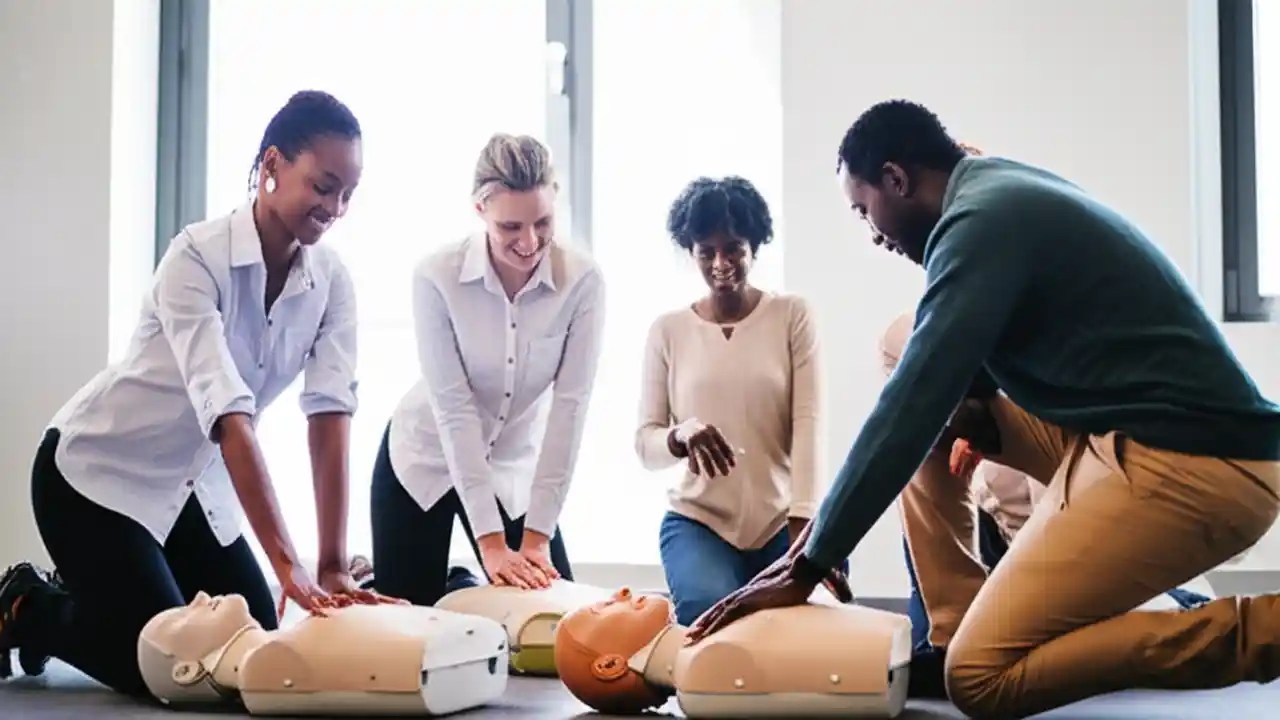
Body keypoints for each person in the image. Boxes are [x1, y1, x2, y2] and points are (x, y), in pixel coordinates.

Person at [686, 99, 1280, 718]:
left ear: (897, 178)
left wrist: (810, 561)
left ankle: (1259, 632)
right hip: (1114, 432)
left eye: (865, 209)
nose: (873, 233)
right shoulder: (990, 189)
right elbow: (936, 366)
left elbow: (910, 404)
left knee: (981, 678)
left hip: (1199, 468)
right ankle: (953, 630)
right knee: (912, 372)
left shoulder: (982, 221)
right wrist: (968, 405)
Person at [0, 90, 390, 697]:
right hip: (98, 479)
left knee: (253, 655)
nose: (334, 206)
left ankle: (97, 603)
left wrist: (331, 563)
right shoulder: (197, 257)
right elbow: (228, 414)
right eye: (322, 185)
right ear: (271, 166)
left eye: (347, 193)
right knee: (171, 671)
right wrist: (286, 565)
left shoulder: (331, 283)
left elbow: (330, 412)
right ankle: (30, 607)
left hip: (195, 492)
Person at [370, 133, 605, 607]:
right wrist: (491, 546)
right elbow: (453, 410)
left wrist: (537, 537)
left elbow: (569, 410)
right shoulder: (436, 276)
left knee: (554, 619)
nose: (530, 242)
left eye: (543, 222)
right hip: (425, 459)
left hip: (513, 469)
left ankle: (460, 584)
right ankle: (440, 580)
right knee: (410, 629)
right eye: (510, 226)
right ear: (480, 211)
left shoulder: (583, 282)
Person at [634, 176, 824, 626]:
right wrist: (680, 435)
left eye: (734, 248)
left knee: (803, 625)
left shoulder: (791, 315)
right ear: (692, 252)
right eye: (706, 251)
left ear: (754, 245)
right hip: (700, 522)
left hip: (782, 522)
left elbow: (809, 423)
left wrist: (803, 527)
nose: (721, 263)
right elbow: (646, 443)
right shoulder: (668, 331)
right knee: (712, 618)